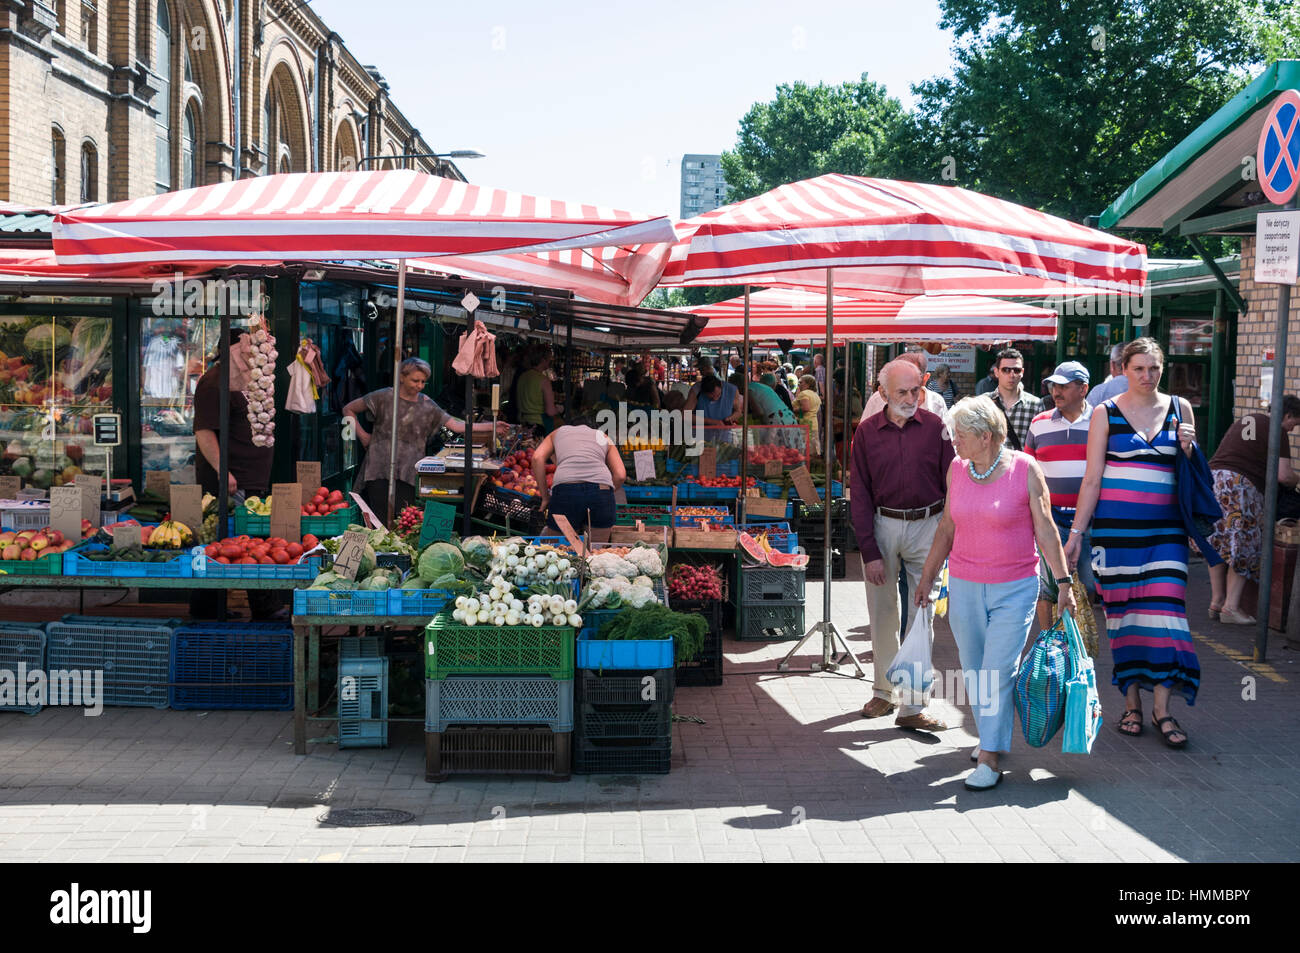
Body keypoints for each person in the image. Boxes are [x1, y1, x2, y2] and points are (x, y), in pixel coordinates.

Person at [916, 395, 1076, 790]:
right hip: (966, 585)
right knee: (974, 670)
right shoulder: (957, 468)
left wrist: (1063, 583)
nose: (953, 442)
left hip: (1015, 588)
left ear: (986, 436)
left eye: (960, 435)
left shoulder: (1024, 469)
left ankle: (989, 757)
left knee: (997, 670)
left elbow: (1046, 530)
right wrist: (928, 577)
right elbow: (947, 529)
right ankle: (993, 735)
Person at [1067, 338, 1201, 749]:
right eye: (1139, 368)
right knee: (1123, 619)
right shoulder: (1106, 412)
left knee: (1166, 616)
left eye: (1154, 368)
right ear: (1123, 369)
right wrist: (1076, 535)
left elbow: (1193, 472)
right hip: (1115, 535)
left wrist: (1189, 447)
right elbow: (1092, 478)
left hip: (1166, 535)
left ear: (1164, 369)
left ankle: (1162, 708)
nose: (1147, 376)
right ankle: (1131, 704)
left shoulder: (1181, 408)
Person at [852, 360, 955, 732]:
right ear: (882, 394)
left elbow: (953, 484)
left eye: (916, 390)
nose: (912, 398)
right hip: (883, 524)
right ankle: (883, 690)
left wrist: (950, 535)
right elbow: (859, 495)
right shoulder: (866, 432)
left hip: (928, 525)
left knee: (922, 614)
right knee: (882, 611)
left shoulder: (936, 428)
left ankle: (913, 705)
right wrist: (869, 551)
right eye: (903, 392)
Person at [343, 357, 508, 517]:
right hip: (378, 467)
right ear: (401, 377)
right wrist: (363, 436)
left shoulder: (426, 404)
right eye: (415, 381)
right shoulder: (383, 396)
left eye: (423, 381)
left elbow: (456, 426)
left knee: (404, 517)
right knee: (378, 517)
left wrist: (492, 426)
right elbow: (348, 409)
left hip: (408, 471)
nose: (420, 386)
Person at [191, 329, 277, 620]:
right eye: (246, 349)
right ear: (232, 350)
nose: (252, 354)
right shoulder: (213, 383)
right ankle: (209, 611)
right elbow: (204, 432)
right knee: (228, 545)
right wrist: (223, 471)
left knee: (248, 543)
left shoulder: (242, 379)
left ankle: (237, 607)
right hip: (231, 481)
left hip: (250, 478)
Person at [1206, 395, 1300, 624]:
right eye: (1294, 423)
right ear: (1287, 415)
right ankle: (1231, 607)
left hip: (1215, 480)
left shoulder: (1249, 419)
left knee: (1220, 543)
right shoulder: (1278, 431)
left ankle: (1217, 601)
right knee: (1245, 543)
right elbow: (1283, 475)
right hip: (1241, 486)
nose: (1293, 427)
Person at [1024, 361, 1099, 630]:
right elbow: (1028, 471)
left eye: (1064, 386)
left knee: (1089, 584)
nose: (1056, 391)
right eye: (1054, 385)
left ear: (1083, 389)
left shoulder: (1100, 422)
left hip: (1090, 520)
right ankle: (1047, 639)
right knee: (1047, 586)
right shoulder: (1039, 423)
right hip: (1049, 518)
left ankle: (1078, 639)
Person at [533, 414, 627, 542]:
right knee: (596, 554)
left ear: (570, 426)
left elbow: (537, 458)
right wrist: (603, 491)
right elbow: (620, 475)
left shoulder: (559, 432)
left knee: (560, 553)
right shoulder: (603, 436)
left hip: (565, 490)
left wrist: (545, 497)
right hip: (601, 492)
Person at [862, 350, 949, 431]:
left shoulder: (937, 403)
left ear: (924, 379)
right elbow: (863, 436)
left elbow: (946, 440)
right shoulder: (877, 400)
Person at [988, 347, 1043, 451]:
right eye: (1006, 370)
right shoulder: (983, 403)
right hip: (990, 466)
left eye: (1016, 370)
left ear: (1022, 372)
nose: (1011, 375)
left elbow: (1040, 444)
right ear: (996, 372)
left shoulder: (1036, 405)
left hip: (1022, 466)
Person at [516, 346, 561, 433]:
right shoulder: (544, 380)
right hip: (539, 426)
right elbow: (550, 411)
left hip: (523, 423)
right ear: (543, 360)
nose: (550, 360)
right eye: (549, 358)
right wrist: (560, 409)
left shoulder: (522, 377)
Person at [794, 374, 821, 453]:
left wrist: (792, 409)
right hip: (813, 423)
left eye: (801, 382)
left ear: (808, 384)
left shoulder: (804, 394)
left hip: (805, 423)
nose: (799, 384)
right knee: (813, 448)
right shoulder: (815, 395)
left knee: (805, 449)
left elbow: (806, 408)